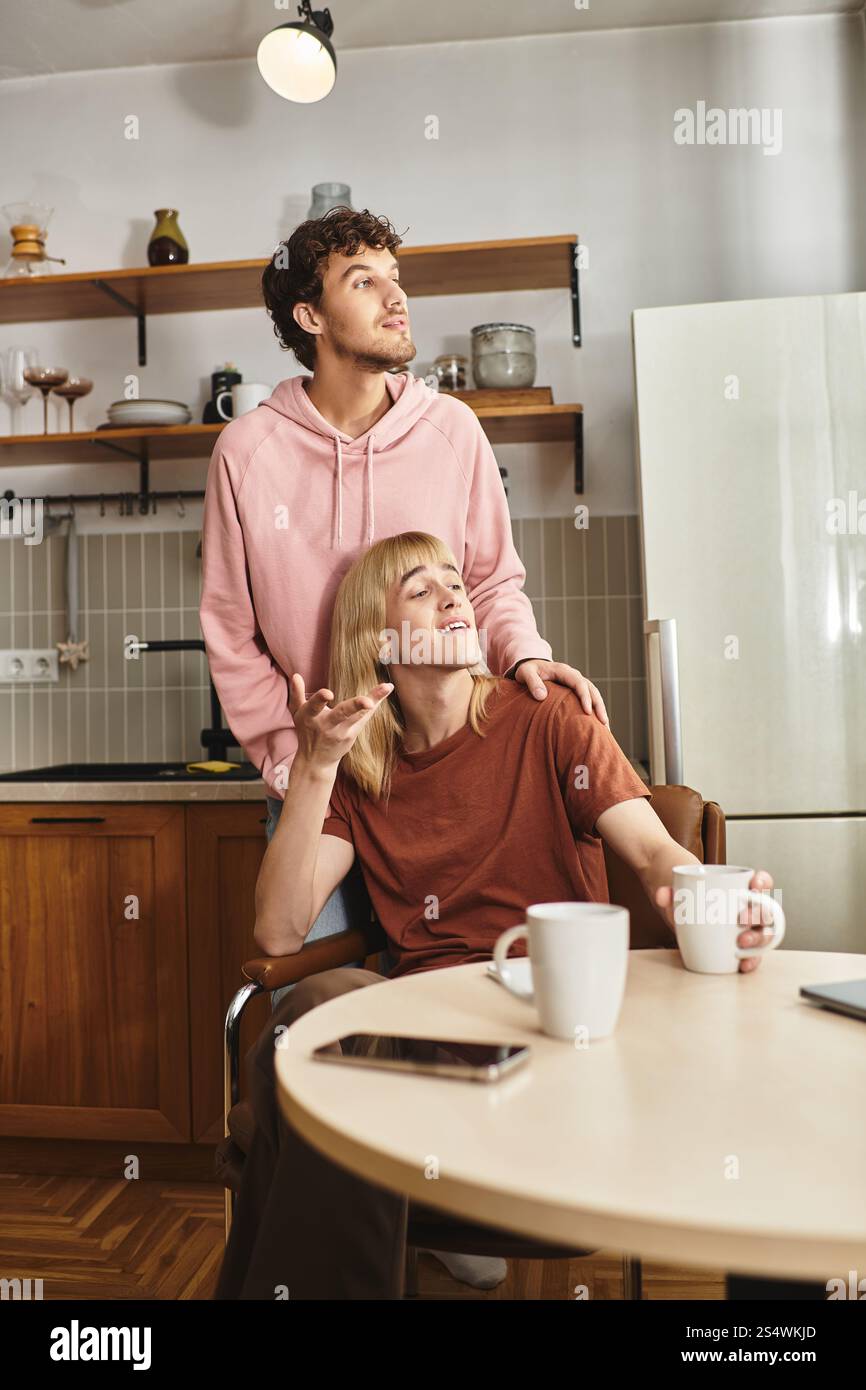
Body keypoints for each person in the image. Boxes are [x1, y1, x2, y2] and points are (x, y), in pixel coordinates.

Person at [213, 532, 776, 1301]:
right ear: (378, 643)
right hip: (421, 1037)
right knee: (311, 1011)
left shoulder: (551, 721)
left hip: (544, 1034)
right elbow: (279, 933)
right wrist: (313, 767)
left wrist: (711, 897)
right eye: (420, 588)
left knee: (303, 1067)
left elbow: (652, 855)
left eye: (455, 580)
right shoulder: (361, 771)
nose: (453, 594)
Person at [199, 205, 609, 991]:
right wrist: (292, 761)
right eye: (365, 281)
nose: (396, 298)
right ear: (310, 315)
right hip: (323, 780)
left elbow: (491, 579)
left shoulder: (452, 430)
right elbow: (229, 627)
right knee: (304, 1000)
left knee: (448, 982)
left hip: (436, 769)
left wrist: (525, 656)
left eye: (397, 279)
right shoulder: (246, 452)